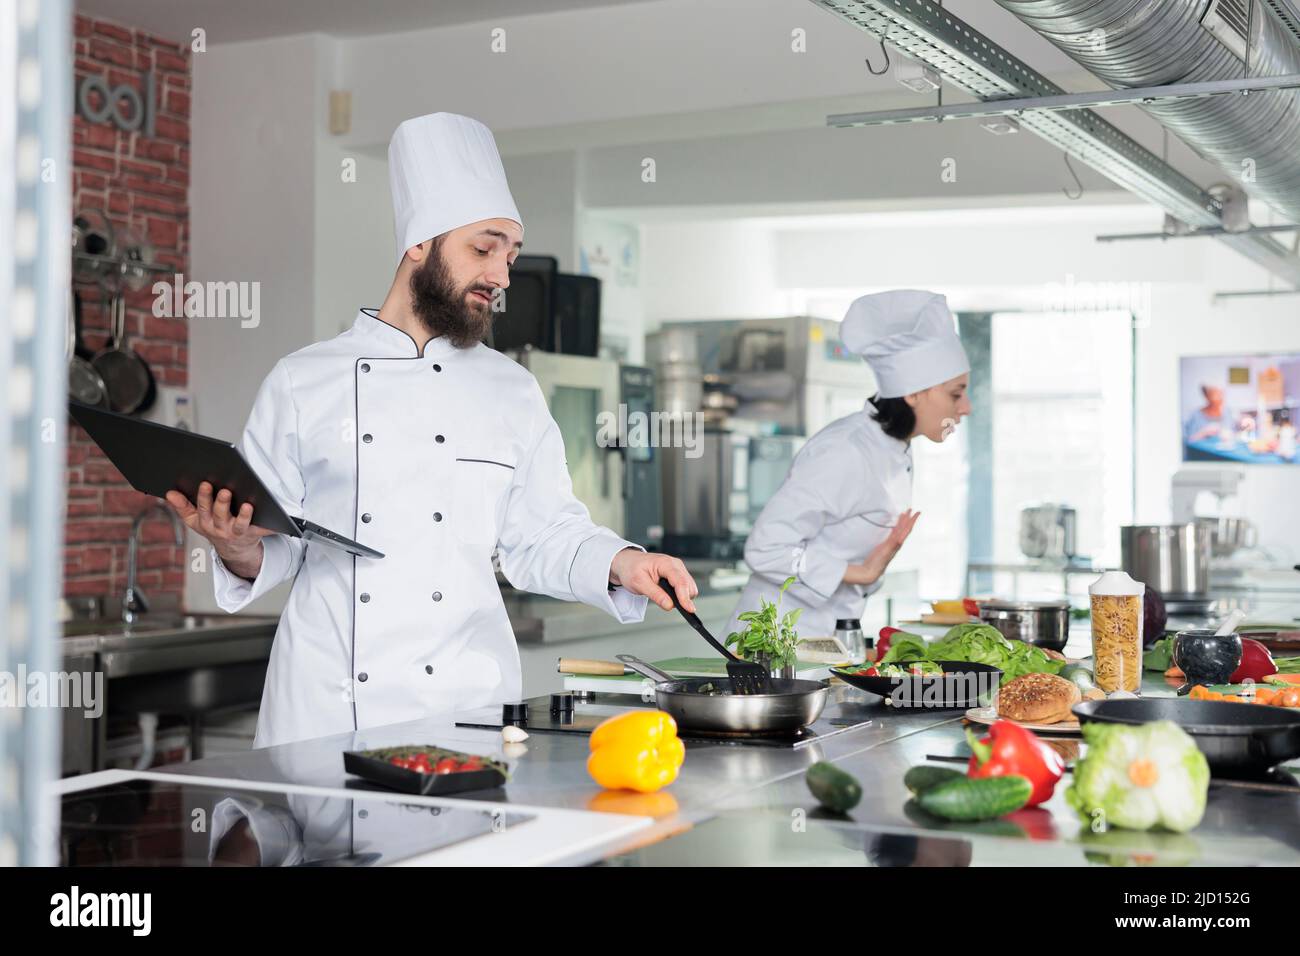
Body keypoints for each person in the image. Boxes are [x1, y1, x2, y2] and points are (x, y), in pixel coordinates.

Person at [165, 113, 697, 748]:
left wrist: (623, 561)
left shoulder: (512, 390)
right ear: (419, 243)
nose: (502, 275)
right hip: (328, 712)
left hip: (463, 712)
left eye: (511, 253)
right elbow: (277, 540)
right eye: (484, 247)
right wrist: (234, 544)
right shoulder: (302, 381)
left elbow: (544, 534)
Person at [725, 290, 972, 642]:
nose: (966, 408)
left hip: (825, 642)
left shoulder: (896, 448)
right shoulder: (843, 452)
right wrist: (861, 572)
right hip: (771, 644)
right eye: (955, 393)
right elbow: (765, 549)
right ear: (913, 394)